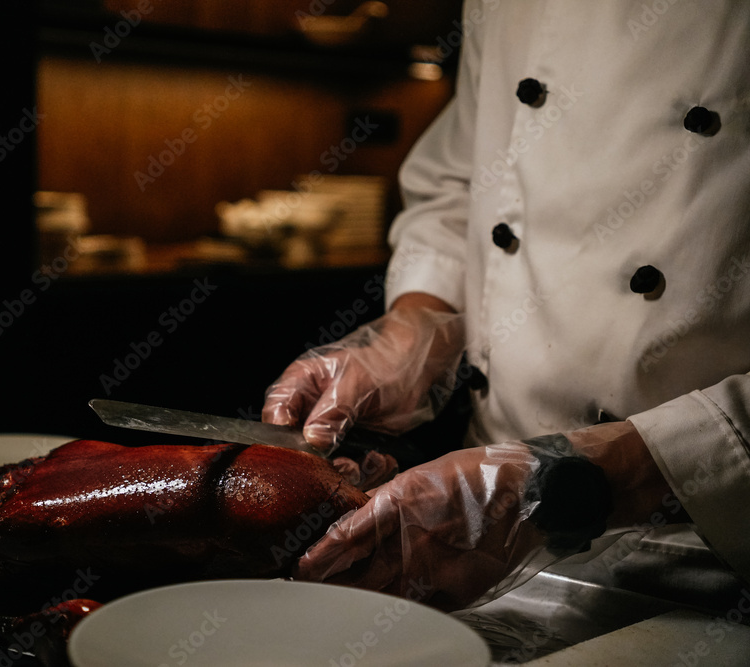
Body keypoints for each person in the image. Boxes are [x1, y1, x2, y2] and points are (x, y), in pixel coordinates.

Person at [263, 0, 750, 611]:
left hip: (711, 558)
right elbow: (459, 180)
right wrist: (417, 323)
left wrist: (566, 480)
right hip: (464, 538)